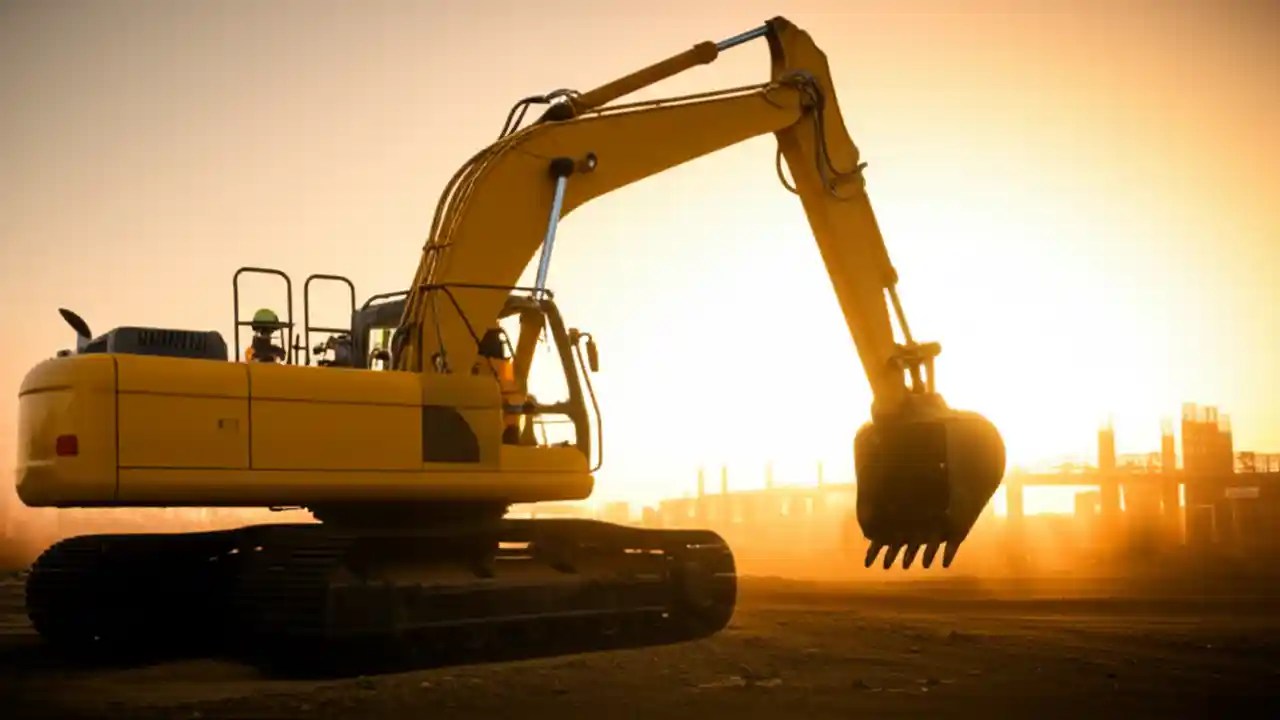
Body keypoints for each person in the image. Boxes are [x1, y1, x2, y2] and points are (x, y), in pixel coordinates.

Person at [474, 328, 524, 443]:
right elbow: (514, 399)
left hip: (488, 430)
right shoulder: (506, 369)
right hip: (503, 431)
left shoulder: (479, 367)